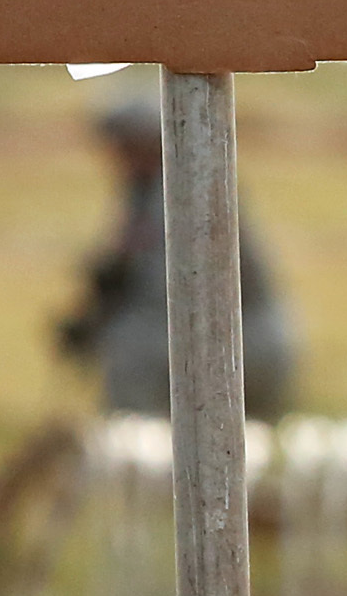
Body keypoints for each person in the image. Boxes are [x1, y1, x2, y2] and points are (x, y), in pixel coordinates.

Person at [59, 86, 300, 422]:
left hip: (239, 343)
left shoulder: (186, 188)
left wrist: (104, 313)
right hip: (215, 342)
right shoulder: (144, 191)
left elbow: (169, 292)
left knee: (130, 346)